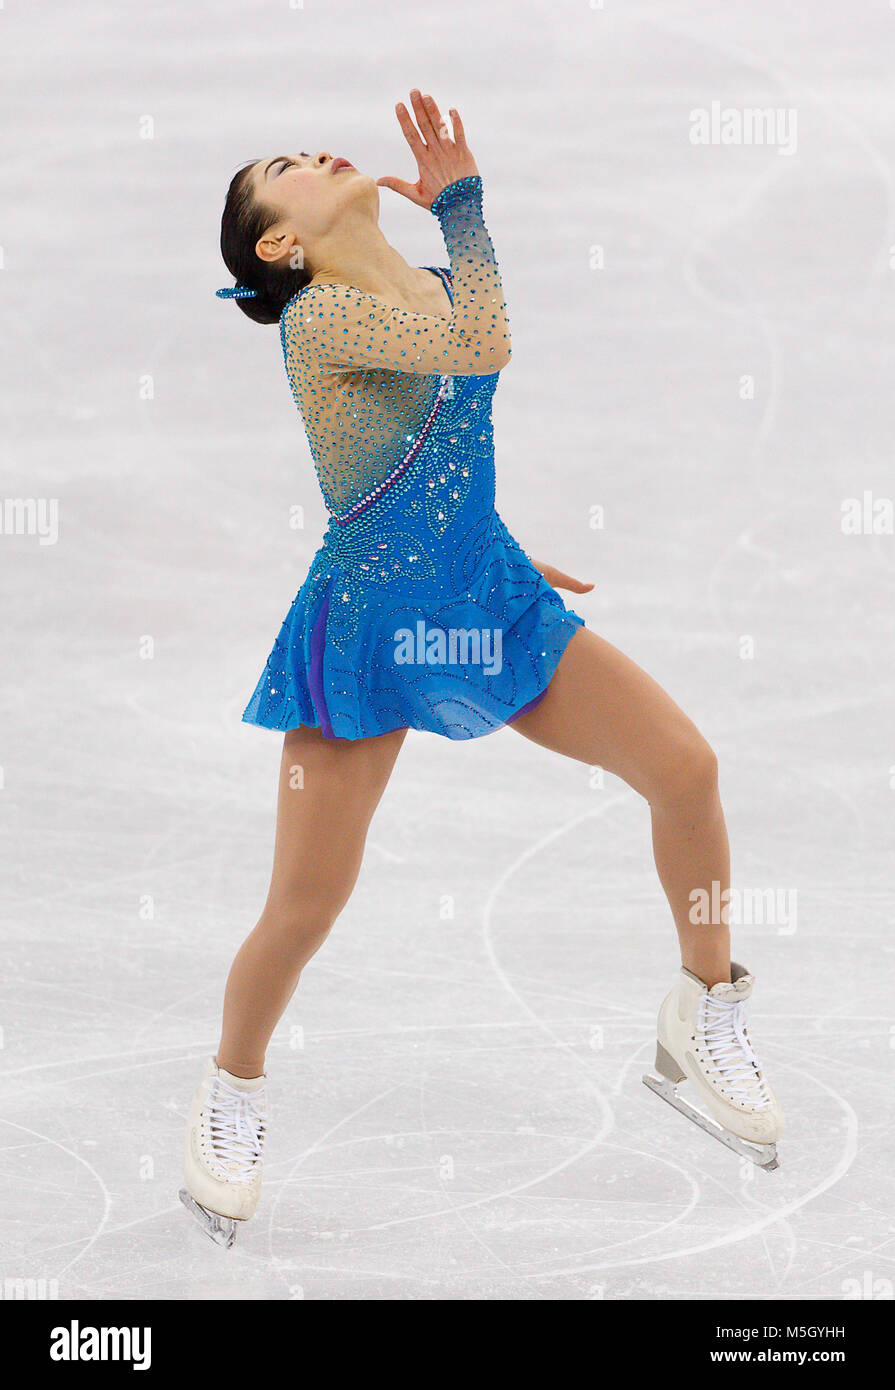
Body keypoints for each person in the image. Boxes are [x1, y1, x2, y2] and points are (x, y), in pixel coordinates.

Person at [179, 91, 782, 1249]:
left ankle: (703, 1009)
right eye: (289, 167)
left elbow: (450, 435)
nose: (319, 150)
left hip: (485, 600)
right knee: (307, 905)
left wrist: (486, 544)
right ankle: (231, 1091)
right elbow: (484, 345)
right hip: (367, 633)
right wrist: (462, 205)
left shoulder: (431, 286)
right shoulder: (321, 320)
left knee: (687, 770)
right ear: (278, 245)